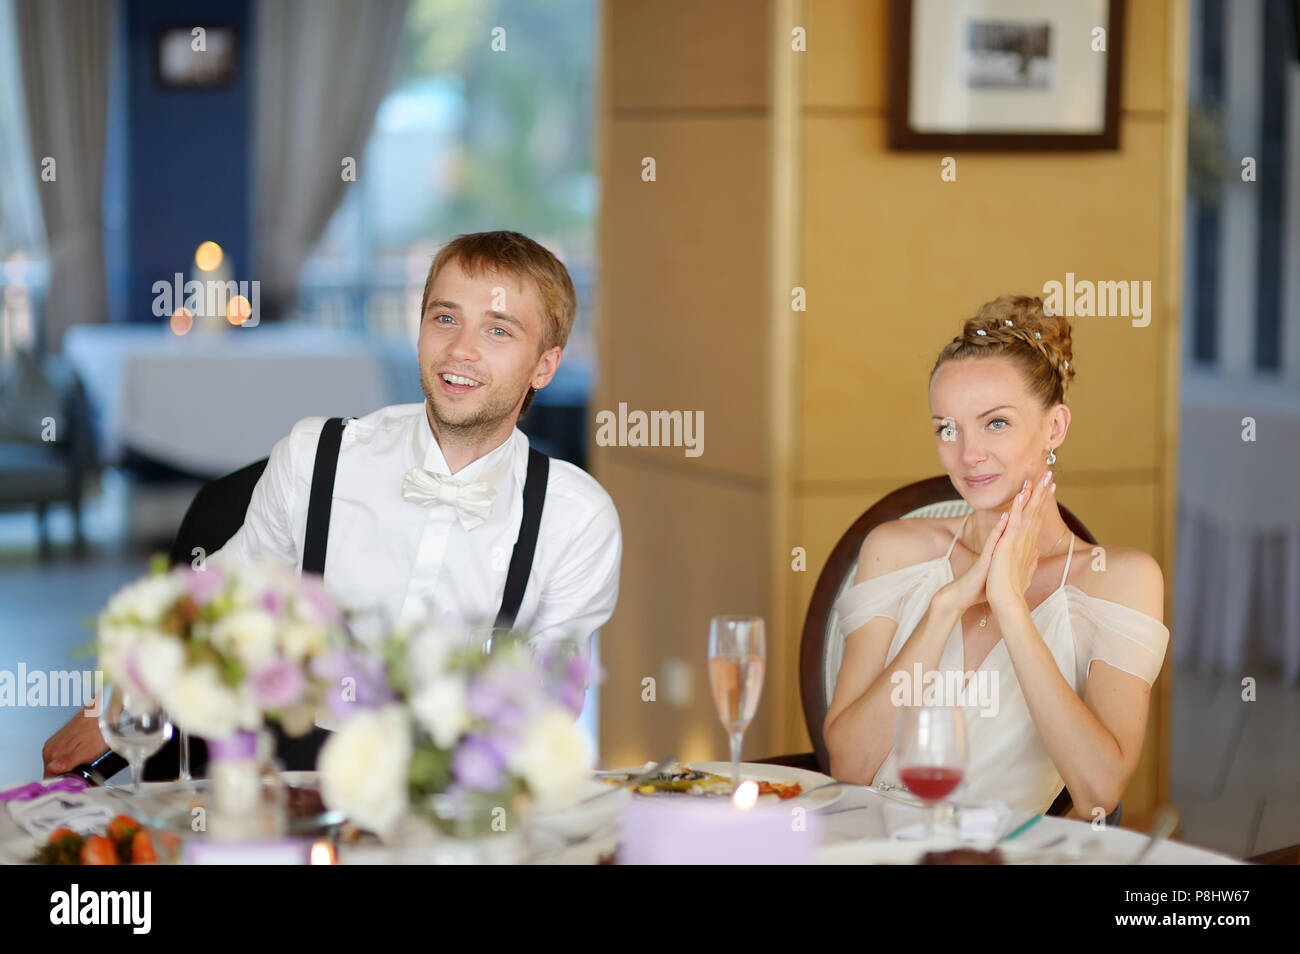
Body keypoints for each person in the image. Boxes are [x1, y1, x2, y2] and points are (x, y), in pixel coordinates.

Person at [42, 230, 622, 777]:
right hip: (285, 784)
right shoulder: (315, 457)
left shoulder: (576, 518)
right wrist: (115, 704)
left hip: (454, 800)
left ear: (545, 365)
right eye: (445, 318)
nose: (461, 350)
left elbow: (543, 718)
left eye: (498, 330)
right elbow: (214, 603)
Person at [823, 294, 1168, 818]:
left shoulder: (1121, 579)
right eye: (947, 428)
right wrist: (943, 609)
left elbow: (1098, 794)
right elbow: (847, 765)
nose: (968, 454)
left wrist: (1009, 604)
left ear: (1054, 427)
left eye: (996, 423)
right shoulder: (894, 549)